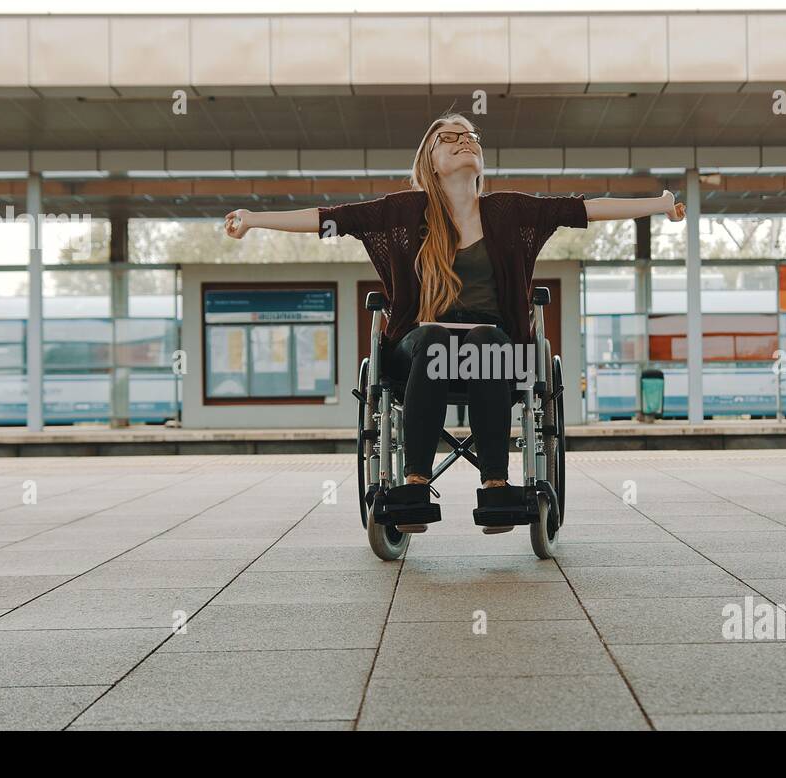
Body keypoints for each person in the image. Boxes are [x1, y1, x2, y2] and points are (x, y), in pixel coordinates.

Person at [226, 112, 685, 532]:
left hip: (492, 350)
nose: (464, 141)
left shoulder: (509, 212)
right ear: (431, 158)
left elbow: (584, 209)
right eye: (450, 137)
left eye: (470, 136)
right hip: (418, 352)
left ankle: (496, 486)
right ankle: (415, 481)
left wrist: (658, 204)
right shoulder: (402, 213)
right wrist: (254, 219)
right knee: (432, 338)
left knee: (486, 338)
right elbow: (328, 220)